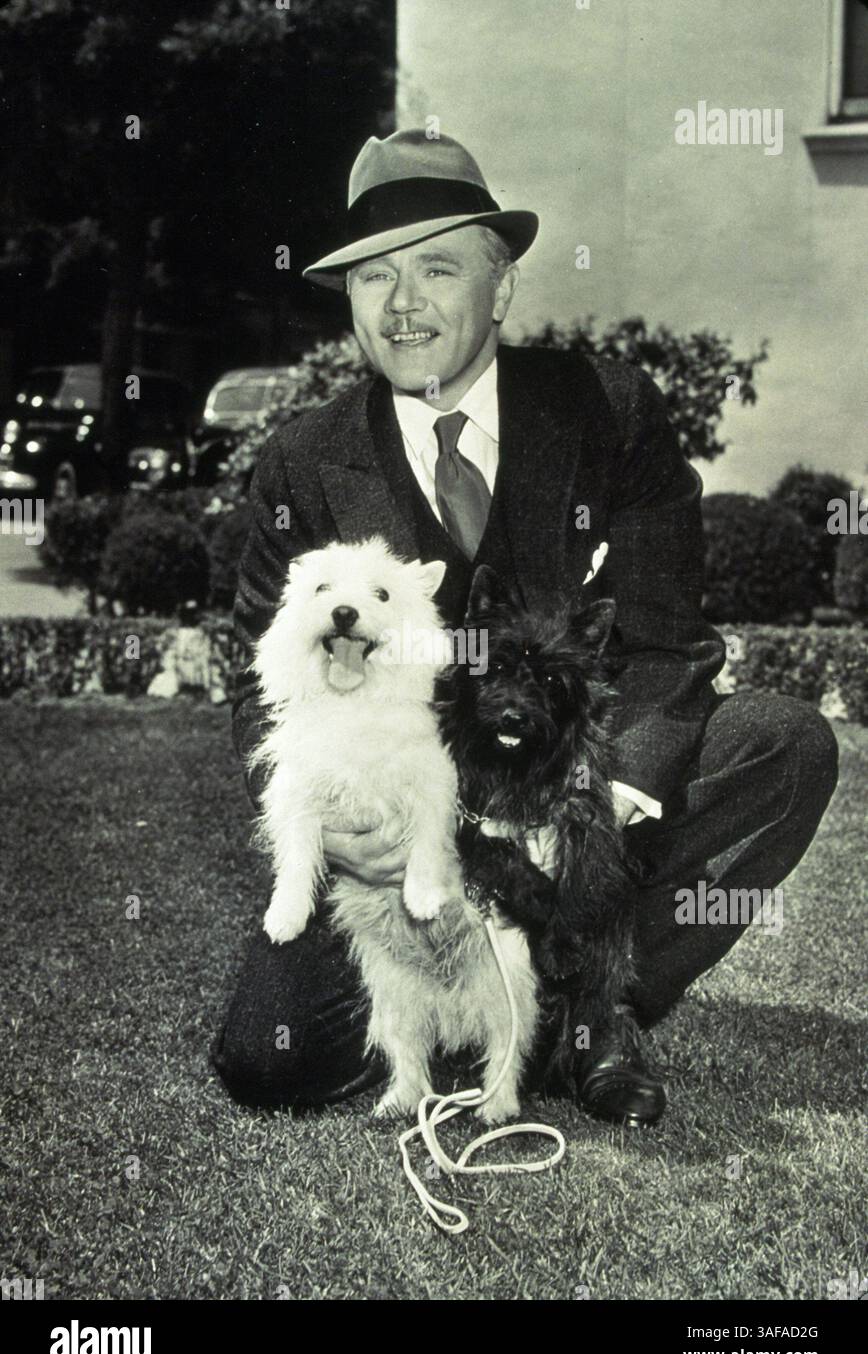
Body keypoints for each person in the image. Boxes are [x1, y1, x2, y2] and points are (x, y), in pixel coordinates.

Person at [212, 129, 838, 1124]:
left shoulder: (611, 411)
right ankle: (492, 1018)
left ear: (499, 285)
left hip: (565, 801)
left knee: (782, 745)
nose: (402, 301)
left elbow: (666, 646)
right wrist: (341, 829)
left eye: (436, 266)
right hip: (397, 831)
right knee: (265, 1061)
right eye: (374, 275)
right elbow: (255, 677)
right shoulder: (302, 458)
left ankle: (593, 1004)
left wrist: (597, 803)